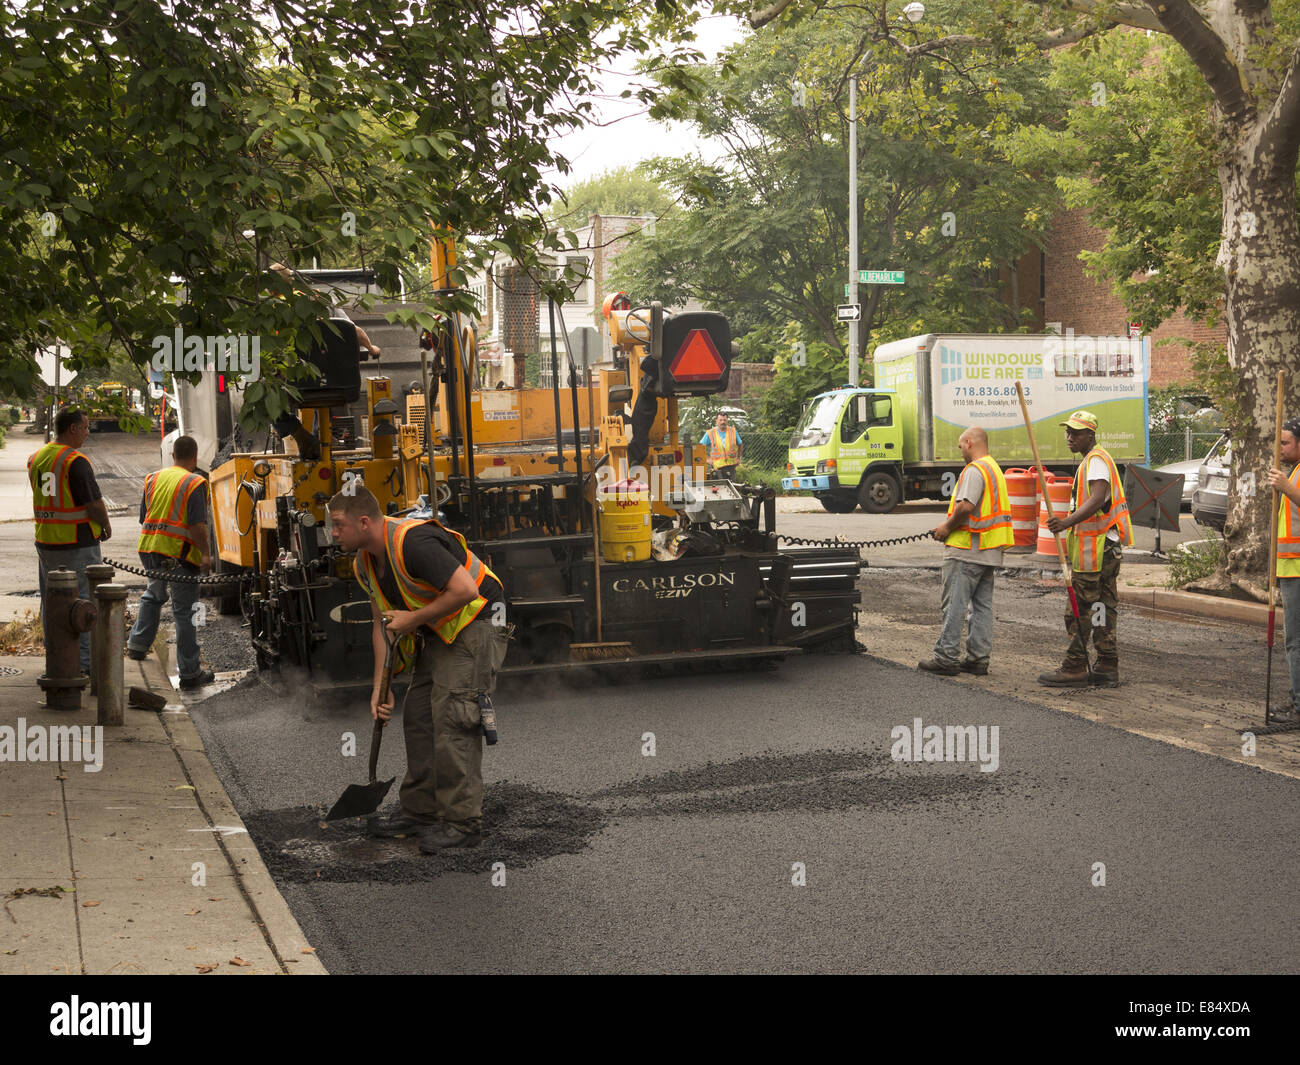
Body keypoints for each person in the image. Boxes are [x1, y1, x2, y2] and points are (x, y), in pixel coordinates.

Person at [327, 487, 509, 852]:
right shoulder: (365, 562)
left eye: (337, 525)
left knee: (454, 714)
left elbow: (465, 590)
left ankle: (462, 823)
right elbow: (382, 623)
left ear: (364, 522)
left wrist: (414, 619)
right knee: (420, 714)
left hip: (477, 620)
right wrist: (382, 686)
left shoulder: (414, 543)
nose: (333, 533)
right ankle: (420, 812)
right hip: (441, 626)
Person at [1038, 410, 1133, 688]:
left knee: (1080, 609)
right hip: (1105, 548)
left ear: (1090, 435)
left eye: (1076, 433)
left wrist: (1066, 522)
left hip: (1096, 551)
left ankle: (1075, 666)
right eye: (1068, 432)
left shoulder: (1096, 461)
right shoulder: (1096, 459)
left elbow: (1098, 498)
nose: (1070, 438)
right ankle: (1106, 664)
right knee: (1104, 606)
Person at [917, 428, 1013, 676]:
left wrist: (946, 527)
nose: (961, 452)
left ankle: (946, 657)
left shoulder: (974, 470)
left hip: (966, 550)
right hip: (989, 550)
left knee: (955, 606)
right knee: (981, 607)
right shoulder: (994, 468)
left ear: (969, 443)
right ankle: (978, 659)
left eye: (961, 447)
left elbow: (966, 506)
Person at [267, 262, 382, 460]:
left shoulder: (270, 310)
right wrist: (372, 348)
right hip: (335, 384)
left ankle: (301, 436)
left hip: (296, 387)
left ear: (269, 287)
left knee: (263, 395)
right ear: (292, 281)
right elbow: (353, 331)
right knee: (325, 384)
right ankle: (323, 438)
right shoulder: (318, 300)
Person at [125, 435, 215, 689]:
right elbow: (197, 525)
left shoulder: (152, 478)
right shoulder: (196, 482)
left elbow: (145, 517)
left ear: (172, 456)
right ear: (195, 458)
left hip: (150, 547)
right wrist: (206, 554)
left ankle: (137, 645)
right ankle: (189, 672)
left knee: (153, 595)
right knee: (185, 611)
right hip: (179, 552)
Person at [28, 407, 111, 673]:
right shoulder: (74, 461)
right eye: (85, 427)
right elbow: (94, 505)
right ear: (72, 428)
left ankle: (57, 661)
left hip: (46, 542)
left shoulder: (36, 458)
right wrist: (105, 524)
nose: (87, 433)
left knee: (52, 604)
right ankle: (82, 666)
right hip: (77, 542)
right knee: (83, 606)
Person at [1265, 418, 1300, 723]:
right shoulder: (1295, 472)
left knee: (1296, 640)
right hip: (1290, 568)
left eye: (1286, 442)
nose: (1280, 449)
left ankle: (1299, 705)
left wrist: (1288, 488)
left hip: (1298, 569)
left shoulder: (1295, 477)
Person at [701, 412, 743, 479]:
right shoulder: (710, 433)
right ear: (716, 421)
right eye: (720, 420)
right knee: (718, 487)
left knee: (731, 487)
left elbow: (740, 444)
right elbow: (700, 447)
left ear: (727, 421)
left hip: (731, 467)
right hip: (717, 468)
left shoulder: (733, 431)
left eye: (724, 420)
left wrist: (738, 458)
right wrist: (707, 459)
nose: (723, 422)